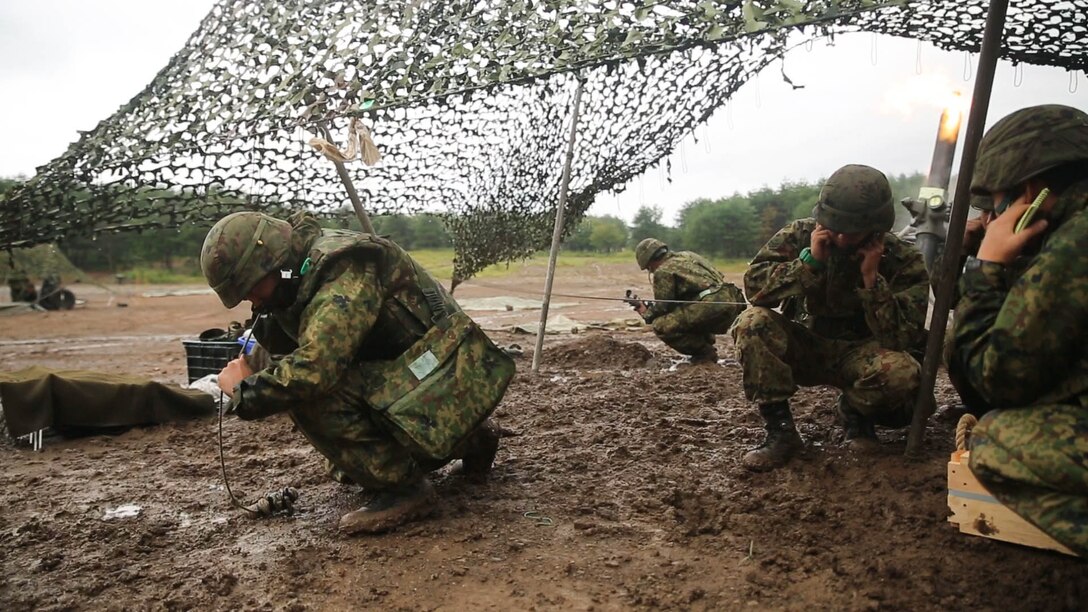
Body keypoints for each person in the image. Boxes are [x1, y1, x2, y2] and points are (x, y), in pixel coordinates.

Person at [201, 211, 515, 535]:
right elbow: (310, 335)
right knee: (346, 467)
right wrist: (256, 362)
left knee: (312, 396)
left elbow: (316, 369)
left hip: (453, 375)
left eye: (252, 287)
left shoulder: (342, 269)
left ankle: (405, 490)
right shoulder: (300, 270)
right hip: (439, 372)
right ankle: (472, 438)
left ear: (272, 261)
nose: (253, 300)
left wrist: (244, 390)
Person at [950, 104, 1088, 556]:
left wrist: (987, 267)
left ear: (1028, 191)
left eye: (995, 198)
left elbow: (999, 378)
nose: (992, 212)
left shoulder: (1075, 244)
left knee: (995, 439)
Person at [732, 164, 929, 471]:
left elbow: (902, 338)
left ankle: (856, 415)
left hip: (862, 353)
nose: (838, 235)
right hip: (806, 344)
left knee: (902, 374)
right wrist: (809, 264)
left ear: (876, 226)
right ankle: (780, 432)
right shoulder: (800, 235)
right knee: (752, 322)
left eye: (850, 230)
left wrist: (872, 280)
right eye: (833, 224)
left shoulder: (903, 260)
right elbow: (755, 289)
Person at [632, 238, 746, 363]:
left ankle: (704, 353)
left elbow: (664, 306)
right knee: (685, 315)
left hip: (711, 305)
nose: (651, 271)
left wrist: (645, 312)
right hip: (732, 298)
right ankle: (706, 347)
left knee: (661, 325)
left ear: (650, 262)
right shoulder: (688, 255)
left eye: (649, 269)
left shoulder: (663, 270)